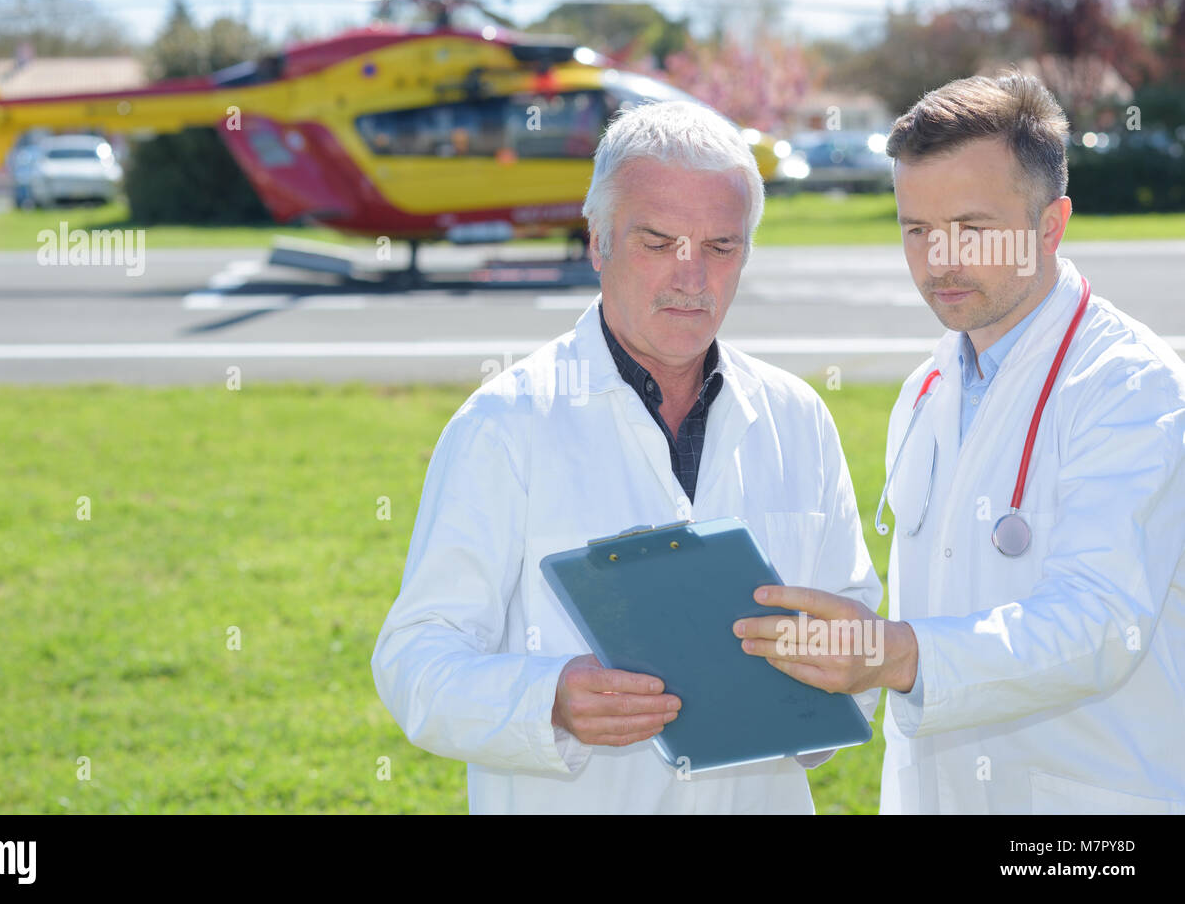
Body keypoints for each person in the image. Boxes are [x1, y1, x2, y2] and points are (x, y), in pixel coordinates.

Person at [371, 99, 882, 814]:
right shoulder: (504, 424)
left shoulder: (799, 417)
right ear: (598, 242)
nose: (691, 276)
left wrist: (839, 661)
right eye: (658, 240)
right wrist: (548, 701)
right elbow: (414, 661)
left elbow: (855, 618)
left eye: (721, 247)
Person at [737, 73, 1185, 813]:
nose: (939, 260)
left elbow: (1099, 624)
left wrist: (896, 653)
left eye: (972, 228)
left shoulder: (1134, 390)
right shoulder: (927, 388)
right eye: (917, 229)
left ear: (1050, 225)